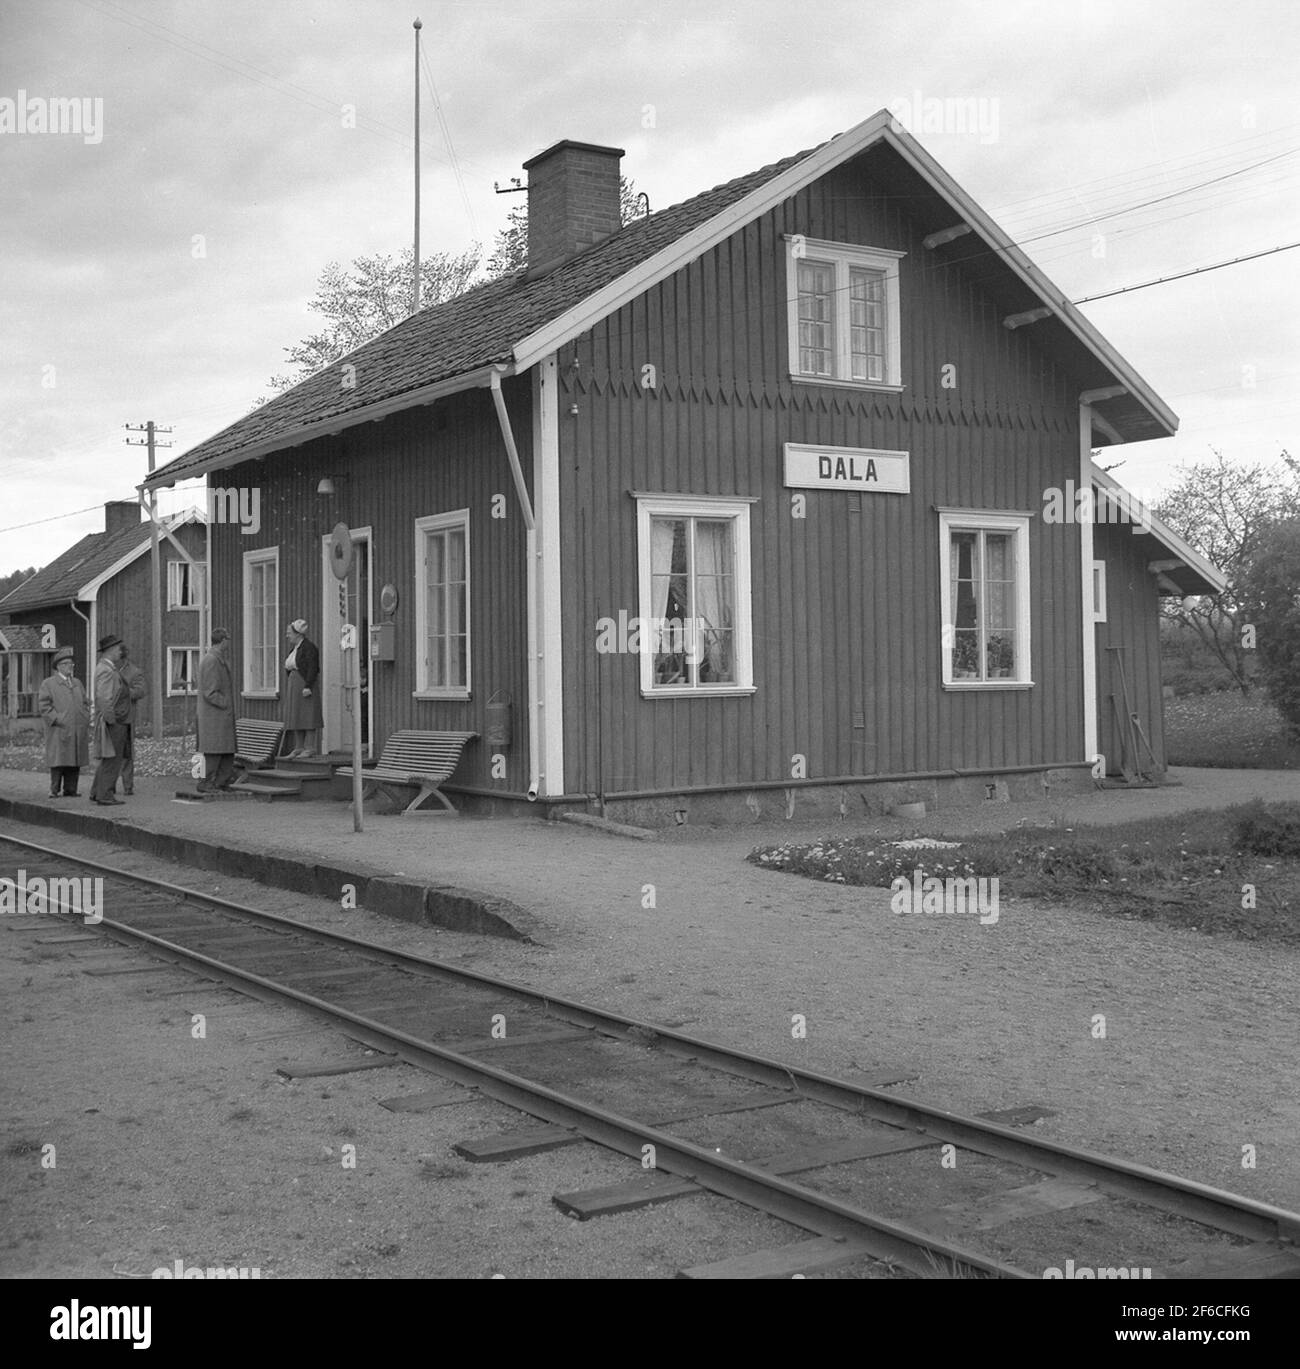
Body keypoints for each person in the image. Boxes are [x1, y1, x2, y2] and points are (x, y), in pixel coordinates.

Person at [37, 646, 89, 797]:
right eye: (66, 663)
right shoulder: (49, 684)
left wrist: (85, 717)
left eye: (71, 663)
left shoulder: (77, 683)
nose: (70, 666)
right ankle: (54, 790)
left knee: (75, 759)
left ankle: (71, 789)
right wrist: (57, 719)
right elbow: (44, 706)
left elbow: (85, 702)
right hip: (59, 729)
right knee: (59, 760)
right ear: (58, 666)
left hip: (77, 728)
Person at [89, 635, 131, 805]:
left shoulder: (105, 668)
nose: (120, 651)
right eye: (118, 649)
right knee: (112, 758)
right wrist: (112, 719)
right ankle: (105, 794)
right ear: (112, 650)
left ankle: (96, 791)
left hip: (112, 719)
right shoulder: (107, 670)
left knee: (108, 757)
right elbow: (104, 698)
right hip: (113, 721)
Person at [196, 627, 236, 791]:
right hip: (215, 716)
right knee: (213, 751)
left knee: (224, 750)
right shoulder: (212, 660)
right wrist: (225, 703)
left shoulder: (214, 659)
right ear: (223, 640)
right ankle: (205, 782)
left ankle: (220, 781)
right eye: (228, 639)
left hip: (218, 716)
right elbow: (210, 692)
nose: (228, 643)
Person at [282, 618, 322, 758]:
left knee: (308, 715)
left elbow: (313, 667)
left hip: (305, 684)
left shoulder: (309, 647)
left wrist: (308, 685)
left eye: (289, 633)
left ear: (298, 634)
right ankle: (298, 747)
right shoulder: (295, 648)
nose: (287, 636)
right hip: (295, 685)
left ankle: (309, 747)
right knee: (296, 715)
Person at [116, 645, 147, 796]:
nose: (118, 660)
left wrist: (123, 693)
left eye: (120, 658)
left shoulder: (135, 672)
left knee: (126, 753)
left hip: (126, 718)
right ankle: (108, 785)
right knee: (109, 753)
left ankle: (128, 786)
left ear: (125, 658)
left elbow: (140, 691)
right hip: (110, 717)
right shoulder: (108, 670)